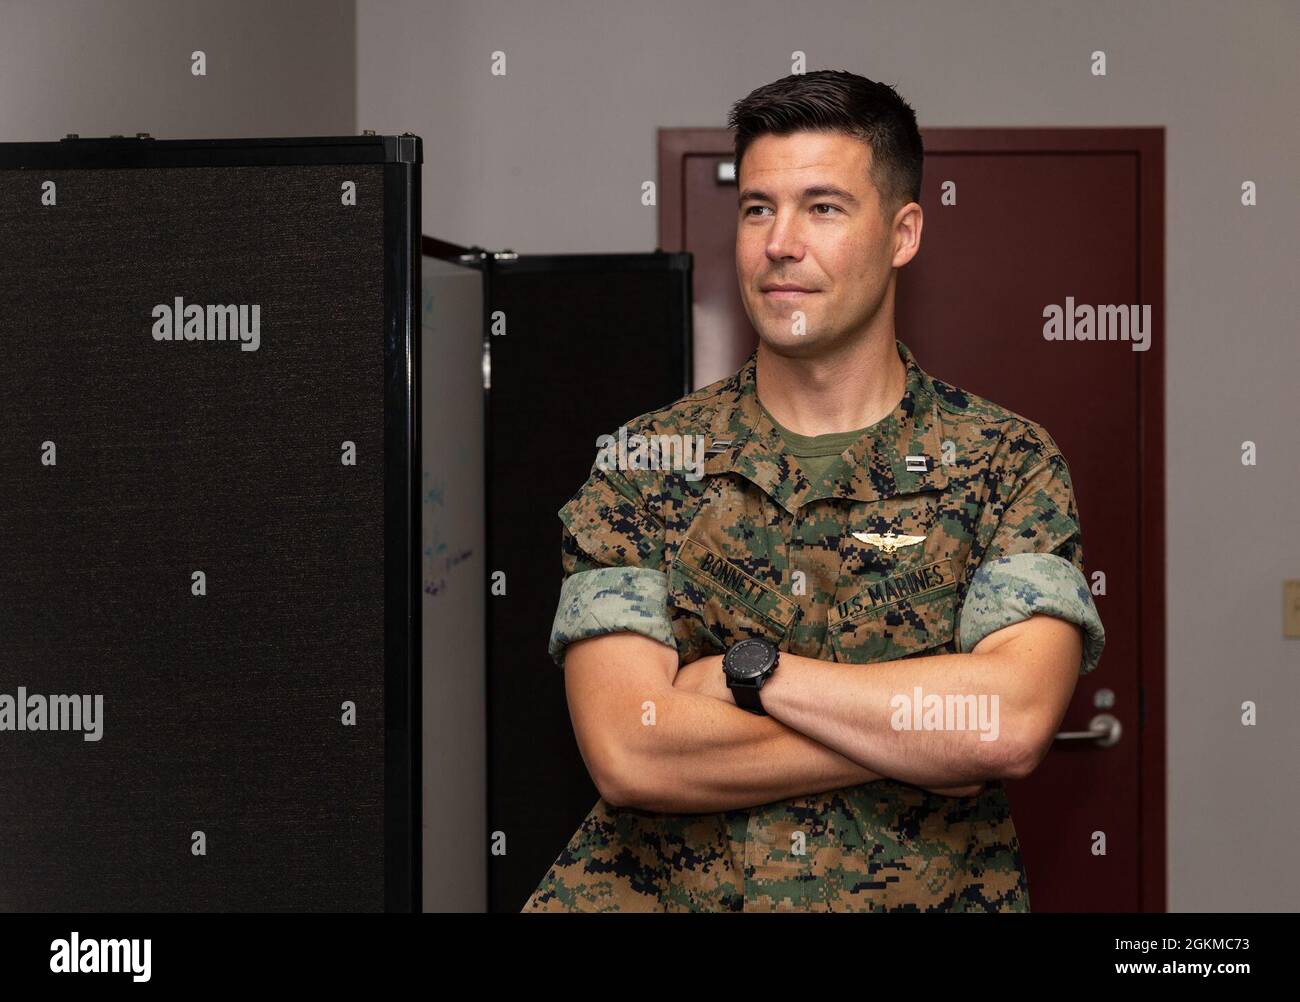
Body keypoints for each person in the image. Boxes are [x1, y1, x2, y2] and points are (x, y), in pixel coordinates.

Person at [522, 70, 1104, 912]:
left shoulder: (1003, 464)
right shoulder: (647, 462)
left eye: (823, 207)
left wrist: (746, 676)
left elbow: (1005, 726)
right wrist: (920, 740)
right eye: (758, 208)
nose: (780, 243)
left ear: (903, 233)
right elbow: (629, 751)